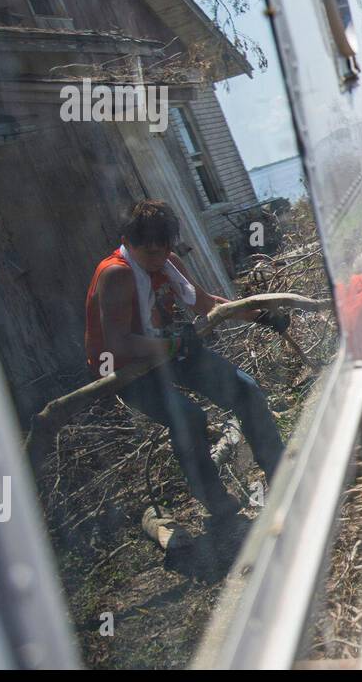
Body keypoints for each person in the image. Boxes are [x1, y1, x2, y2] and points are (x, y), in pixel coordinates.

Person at [84, 200, 288, 520]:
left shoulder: (169, 263)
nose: (158, 260)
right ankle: (213, 497)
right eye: (150, 253)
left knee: (245, 389)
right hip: (125, 367)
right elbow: (118, 342)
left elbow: (207, 304)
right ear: (128, 243)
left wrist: (259, 315)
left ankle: (280, 472)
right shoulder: (116, 275)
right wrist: (173, 343)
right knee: (188, 417)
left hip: (169, 347)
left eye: (163, 250)